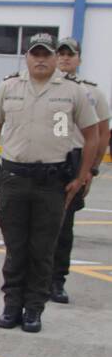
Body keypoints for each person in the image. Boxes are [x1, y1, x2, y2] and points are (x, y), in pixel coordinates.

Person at [0, 33, 99, 332]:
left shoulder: (72, 92)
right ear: (27, 57)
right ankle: (11, 306)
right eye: (36, 54)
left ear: (54, 57)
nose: (41, 59)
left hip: (52, 181)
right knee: (15, 247)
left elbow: (93, 134)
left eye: (47, 54)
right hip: (14, 178)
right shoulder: (8, 88)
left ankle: (33, 309)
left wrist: (84, 173)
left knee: (43, 250)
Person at [50, 37, 111, 304]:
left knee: (63, 228)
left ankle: (56, 281)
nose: (64, 59)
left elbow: (101, 134)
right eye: (60, 54)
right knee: (33, 227)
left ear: (79, 59)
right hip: (43, 160)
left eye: (70, 55)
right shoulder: (41, 87)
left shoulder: (92, 93)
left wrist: (91, 170)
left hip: (74, 161)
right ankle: (32, 281)